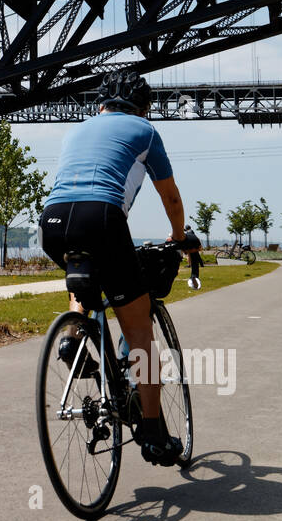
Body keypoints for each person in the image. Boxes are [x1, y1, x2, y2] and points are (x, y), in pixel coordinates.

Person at [38, 70, 194, 467]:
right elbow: (171, 198)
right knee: (139, 327)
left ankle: (73, 337)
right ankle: (155, 433)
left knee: (83, 284)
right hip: (102, 219)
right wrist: (178, 237)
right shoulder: (145, 132)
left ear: (100, 104)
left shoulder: (76, 131)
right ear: (144, 108)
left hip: (53, 221)